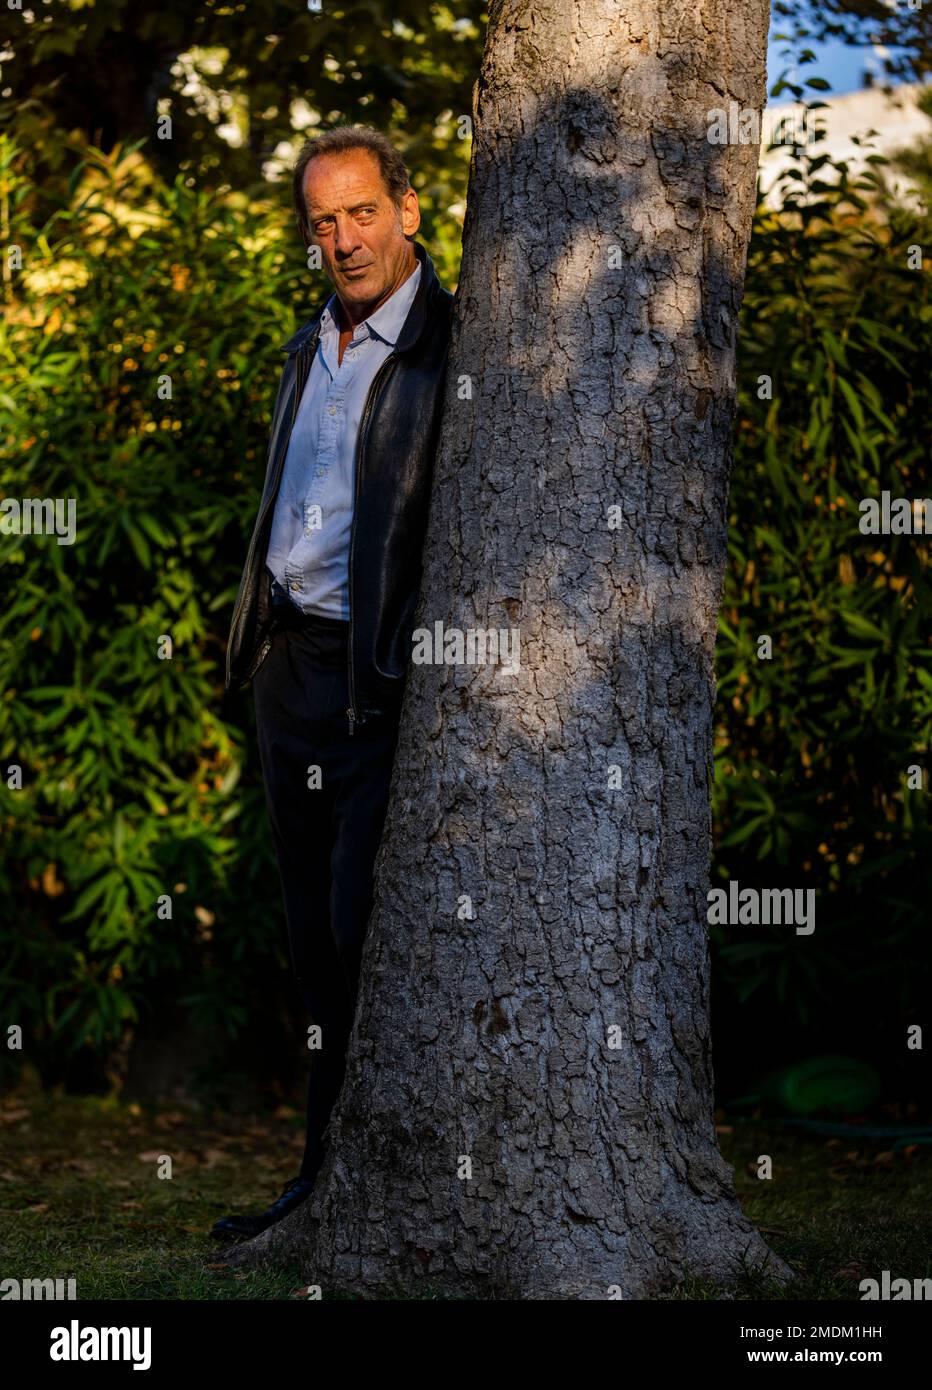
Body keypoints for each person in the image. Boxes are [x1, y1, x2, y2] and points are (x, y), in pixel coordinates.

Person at [213, 126, 454, 1239]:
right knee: (310, 940)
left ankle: (339, 1178)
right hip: (288, 669)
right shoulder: (306, 346)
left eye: (362, 212)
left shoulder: (448, 347)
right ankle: (316, 1178)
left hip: (374, 682)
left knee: (361, 935)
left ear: (407, 209)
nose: (344, 240)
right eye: (322, 222)